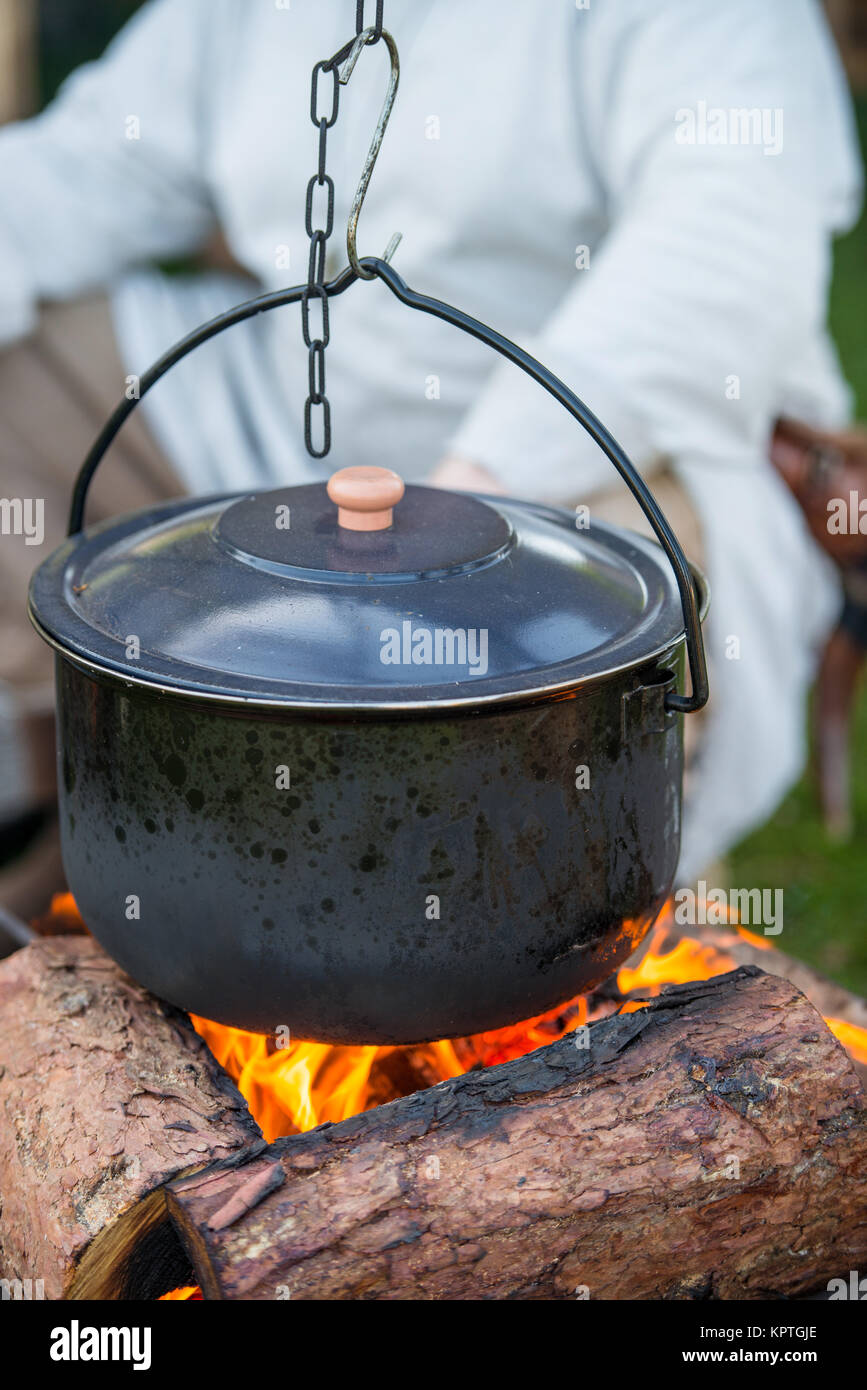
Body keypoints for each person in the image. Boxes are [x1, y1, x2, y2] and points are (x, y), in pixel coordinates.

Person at [0, 0, 862, 917]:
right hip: (286, 423)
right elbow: (91, 166)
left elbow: (722, 250)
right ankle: (104, 848)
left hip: (594, 454)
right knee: (21, 381)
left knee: (590, 640)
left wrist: (462, 502)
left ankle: (536, 926)